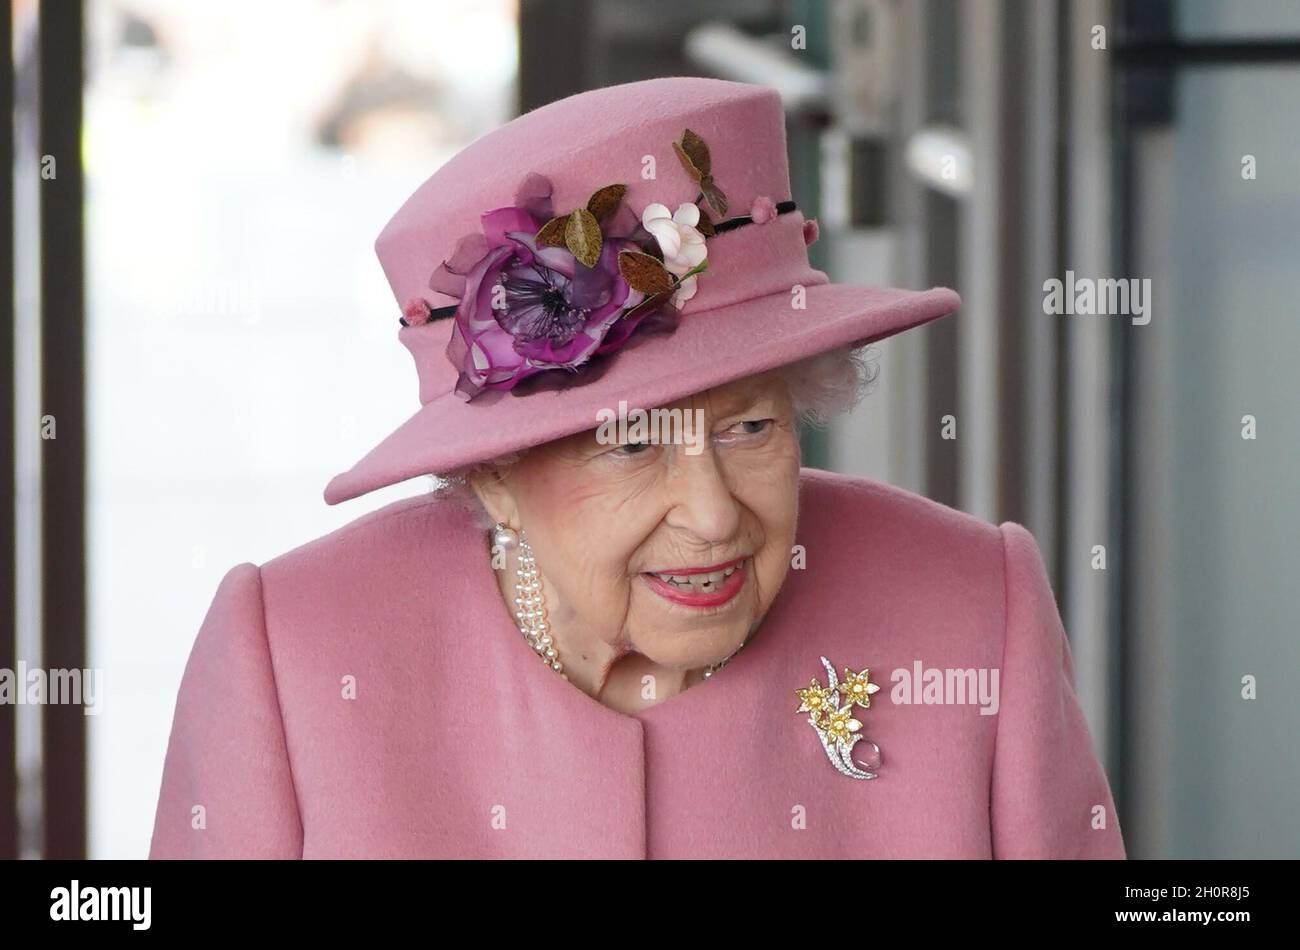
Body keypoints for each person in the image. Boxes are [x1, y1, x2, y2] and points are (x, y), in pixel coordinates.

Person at [149, 77, 1124, 859]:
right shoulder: (297, 657)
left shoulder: (967, 609)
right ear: (493, 474)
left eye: (749, 427)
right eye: (628, 443)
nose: (710, 514)